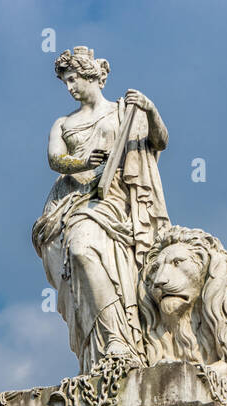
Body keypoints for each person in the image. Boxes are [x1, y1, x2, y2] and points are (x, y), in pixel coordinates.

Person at [32, 46, 170, 373]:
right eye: (65, 82)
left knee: (121, 272)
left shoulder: (124, 112)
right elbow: (55, 159)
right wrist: (81, 162)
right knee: (80, 251)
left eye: (73, 79)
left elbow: (160, 140)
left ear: (92, 76)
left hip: (119, 200)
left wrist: (149, 110)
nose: (69, 87)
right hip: (74, 202)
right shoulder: (63, 123)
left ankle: (123, 339)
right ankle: (109, 342)